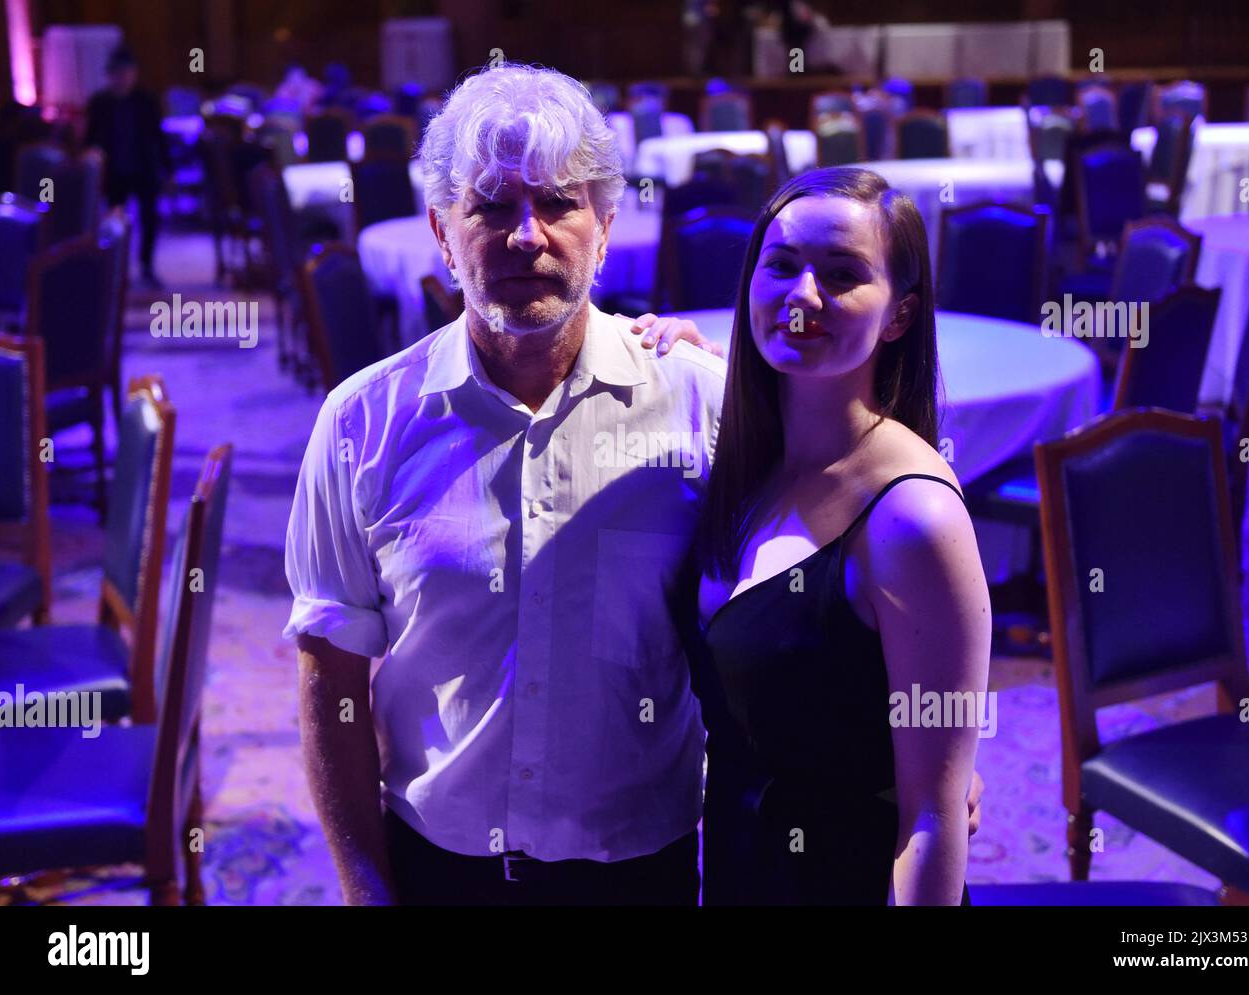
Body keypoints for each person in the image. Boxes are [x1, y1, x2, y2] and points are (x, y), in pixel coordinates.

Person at [283, 62, 982, 906]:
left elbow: (829, 592)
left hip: (646, 876)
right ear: (440, 228)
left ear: (606, 227)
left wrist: (931, 768)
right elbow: (329, 681)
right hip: (436, 868)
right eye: (492, 205)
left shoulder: (703, 406)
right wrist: (365, 890)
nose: (527, 235)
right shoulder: (361, 424)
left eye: (558, 203)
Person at [686, 166, 991, 904]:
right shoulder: (746, 459)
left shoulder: (914, 516)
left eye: (843, 274)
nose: (803, 295)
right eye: (782, 265)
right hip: (739, 872)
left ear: (900, 315)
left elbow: (934, 816)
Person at [85, 46, 168, 288]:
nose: (122, 78)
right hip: (115, 172)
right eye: (118, 73)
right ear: (110, 75)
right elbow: (91, 138)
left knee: (150, 219)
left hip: (144, 169)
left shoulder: (146, 101)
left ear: (134, 74)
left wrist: (167, 168)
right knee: (114, 221)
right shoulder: (100, 103)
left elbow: (158, 137)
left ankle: (147, 265)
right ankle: (117, 267)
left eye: (127, 73)